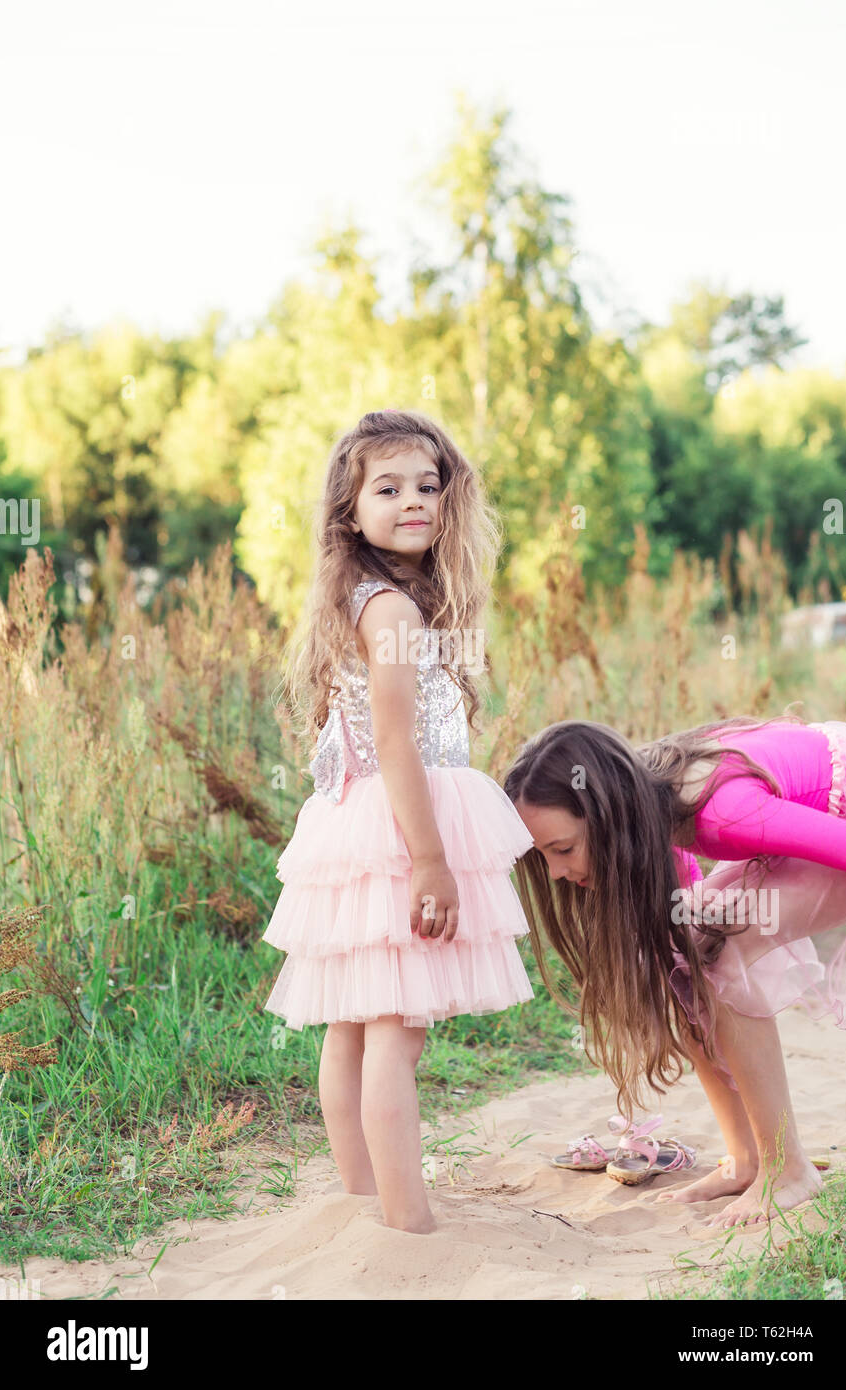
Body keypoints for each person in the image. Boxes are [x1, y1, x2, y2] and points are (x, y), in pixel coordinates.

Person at [261, 408, 534, 1234]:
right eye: (389, 488)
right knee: (396, 1031)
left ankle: (359, 1202)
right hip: (397, 825)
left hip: (353, 817)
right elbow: (394, 743)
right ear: (351, 511)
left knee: (352, 1022)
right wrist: (430, 862)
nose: (414, 500)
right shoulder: (395, 615)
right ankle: (407, 1225)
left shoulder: (366, 597)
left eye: (429, 484)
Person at [503, 712, 846, 1229]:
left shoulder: (725, 815)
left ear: (607, 815)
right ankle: (745, 1161)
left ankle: (787, 1171)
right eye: (545, 855)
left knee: (725, 952)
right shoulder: (650, 803)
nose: (556, 871)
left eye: (563, 849)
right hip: (812, 814)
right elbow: (684, 907)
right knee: (689, 958)